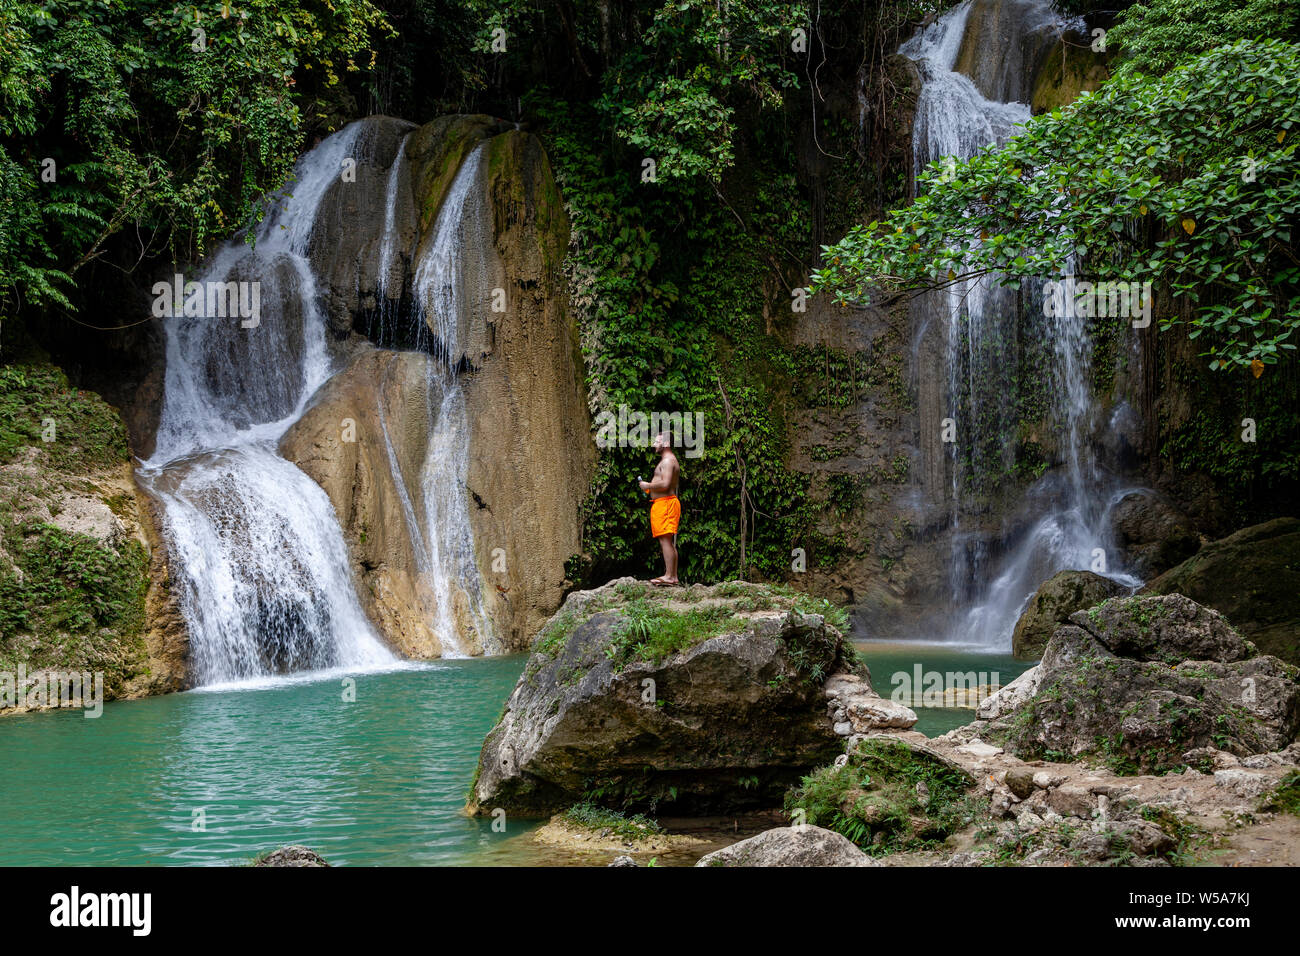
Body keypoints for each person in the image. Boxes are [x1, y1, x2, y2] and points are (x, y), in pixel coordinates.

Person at [638, 432, 681, 586]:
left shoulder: (668, 461)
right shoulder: (666, 460)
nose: (654, 444)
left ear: (666, 443)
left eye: (657, 441)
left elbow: (665, 484)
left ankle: (669, 576)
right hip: (662, 504)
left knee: (666, 541)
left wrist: (648, 485)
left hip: (666, 504)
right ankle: (672, 576)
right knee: (667, 541)